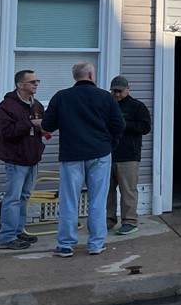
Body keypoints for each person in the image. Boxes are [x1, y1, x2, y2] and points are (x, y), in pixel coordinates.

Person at [41, 62, 124, 258]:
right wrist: (110, 144)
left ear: (75, 77)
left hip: (71, 154)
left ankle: (65, 245)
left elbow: (47, 124)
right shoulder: (105, 97)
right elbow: (119, 124)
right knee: (97, 200)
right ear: (90, 75)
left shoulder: (61, 96)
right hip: (100, 153)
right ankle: (96, 244)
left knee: (69, 200)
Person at [0, 70, 48, 250]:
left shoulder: (36, 105)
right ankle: (7, 237)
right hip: (16, 159)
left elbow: (40, 125)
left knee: (24, 197)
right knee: (13, 198)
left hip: (32, 158)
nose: (36, 84)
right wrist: (31, 123)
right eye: (32, 82)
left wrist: (43, 129)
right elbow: (6, 133)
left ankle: (18, 231)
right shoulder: (7, 106)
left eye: (37, 81)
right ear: (20, 84)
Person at [106, 76, 151, 236]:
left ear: (127, 89)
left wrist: (122, 124)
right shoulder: (107, 104)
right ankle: (108, 220)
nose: (117, 94)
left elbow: (145, 127)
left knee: (128, 191)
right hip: (107, 155)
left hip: (129, 156)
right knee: (107, 191)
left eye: (120, 91)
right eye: (114, 91)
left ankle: (129, 222)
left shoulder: (137, 106)